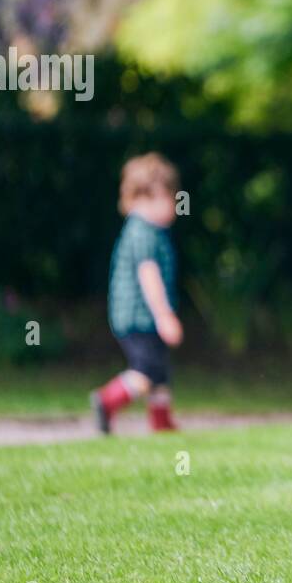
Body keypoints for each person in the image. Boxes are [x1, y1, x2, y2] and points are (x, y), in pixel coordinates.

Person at [90, 152, 183, 434]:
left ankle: (161, 422)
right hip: (139, 317)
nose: (176, 207)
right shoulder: (143, 232)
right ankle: (107, 400)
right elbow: (148, 276)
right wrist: (165, 315)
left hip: (140, 317)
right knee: (145, 371)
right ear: (148, 195)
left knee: (159, 372)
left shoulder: (147, 231)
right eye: (170, 199)